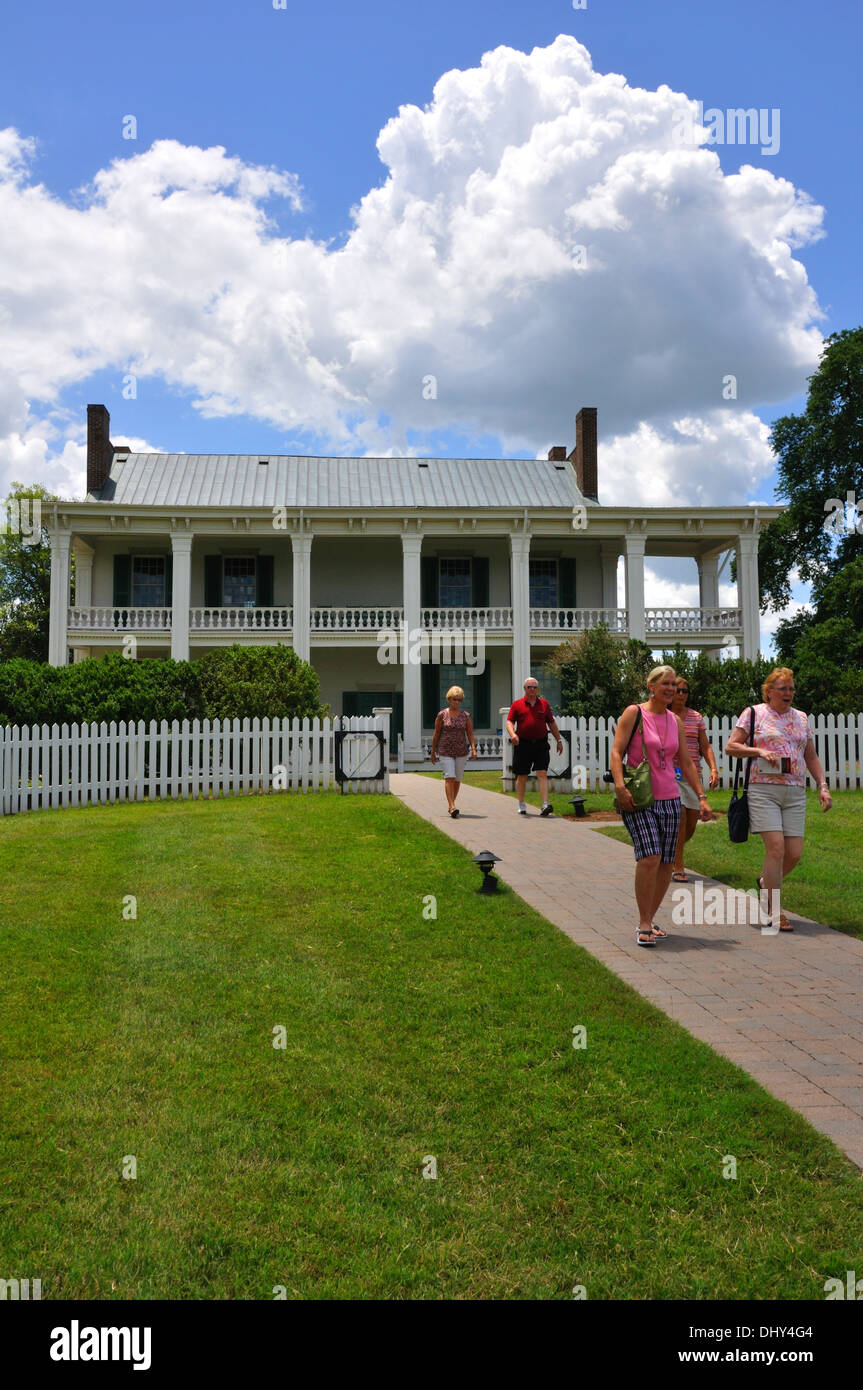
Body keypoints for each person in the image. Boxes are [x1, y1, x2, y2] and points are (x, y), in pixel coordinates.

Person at [611, 665, 711, 946]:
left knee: (667, 862)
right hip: (639, 797)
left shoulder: (674, 721)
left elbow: (687, 762)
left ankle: (649, 917)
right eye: (665, 684)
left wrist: (701, 797)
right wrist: (620, 786)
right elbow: (617, 752)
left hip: (670, 799)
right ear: (651, 686)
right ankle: (644, 922)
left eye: (674, 685)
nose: (671, 689)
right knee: (650, 857)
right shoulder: (634, 713)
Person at [725, 667, 831, 931]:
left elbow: (811, 756)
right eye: (783, 688)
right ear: (769, 691)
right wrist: (759, 751)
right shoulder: (754, 713)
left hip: (795, 792)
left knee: (794, 854)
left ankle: (765, 883)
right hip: (763, 790)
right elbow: (731, 746)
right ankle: (773, 911)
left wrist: (823, 786)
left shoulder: (802, 718)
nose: (789, 693)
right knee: (776, 848)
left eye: (792, 688)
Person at [671, 675, 719, 882]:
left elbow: (704, 745)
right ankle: (678, 866)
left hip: (692, 775)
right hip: (670, 774)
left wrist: (714, 769)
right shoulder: (664, 715)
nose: (681, 694)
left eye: (685, 691)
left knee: (691, 823)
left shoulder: (695, 717)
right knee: (680, 817)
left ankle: (672, 850)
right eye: (678, 690)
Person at [506, 677, 563, 816]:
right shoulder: (517, 705)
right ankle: (521, 803)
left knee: (542, 773)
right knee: (522, 775)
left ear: (538, 689)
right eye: (529, 687)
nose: (532, 689)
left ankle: (545, 804)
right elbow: (509, 721)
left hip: (541, 743)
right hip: (523, 744)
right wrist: (513, 734)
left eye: (534, 687)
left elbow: (551, 723)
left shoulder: (544, 704)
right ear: (524, 689)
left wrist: (559, 739)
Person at [430, 686, 477, 817]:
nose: (457, 702)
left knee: (457, 779)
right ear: (449, 699)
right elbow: (436, 734)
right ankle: (452, 806)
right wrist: (433, 751)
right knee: (449, 777)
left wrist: (473, 748)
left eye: (459, 700)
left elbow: (470, 734)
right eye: (454, 699)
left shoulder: (465, 716)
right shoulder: (442, 715)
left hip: (461, 751)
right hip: (445, 750)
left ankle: (452, 804)